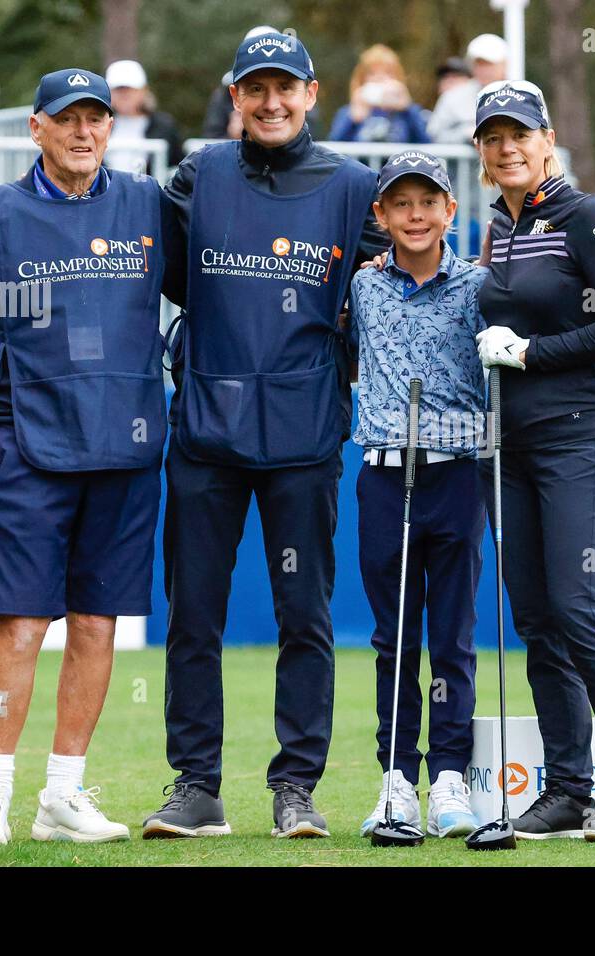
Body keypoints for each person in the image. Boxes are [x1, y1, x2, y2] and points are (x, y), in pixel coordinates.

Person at [0, 68, 184, 845]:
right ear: (35, 128)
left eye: (95, 118)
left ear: (112, 127)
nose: (82, 132)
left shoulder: (147, 204)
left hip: (127, 446)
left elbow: (208, 300)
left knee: (98, 624)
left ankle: (62, 798)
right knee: (23, 623)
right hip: (28, 447)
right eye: (66, 119)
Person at [143, 30, 389, 841]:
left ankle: (297, 790)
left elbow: (396, 286)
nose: (273, 102)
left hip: (306, 436)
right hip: (206, 432)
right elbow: (164, 275)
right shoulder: (201, 173)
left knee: (305, 619)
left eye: (287, 88)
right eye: (257, 89)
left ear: (313, 94)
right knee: (192, 618)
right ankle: (196, 787)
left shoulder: (354, 185)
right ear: (237, 97)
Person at [472, 79, 595, 841]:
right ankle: (567, 791)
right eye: (493, 138)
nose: (507, 147)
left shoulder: (585, 217)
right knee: (538, 618)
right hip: (512, 445)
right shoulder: (498, 230)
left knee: (580, 609)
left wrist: (530, 351)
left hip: (581, 435)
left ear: (547, 140)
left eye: (519, 133)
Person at [349, 151, 485, 839]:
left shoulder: (481, 287)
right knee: (394, 640)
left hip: (457, 474)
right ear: (381, 216)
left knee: (453, 639)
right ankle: (397, 779)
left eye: (427, 202)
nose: (415, 215)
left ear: (450, 211)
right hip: (383, 475)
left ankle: (451, 780)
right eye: (400, 204)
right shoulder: (363, 288)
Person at [328, 44, 430, 144]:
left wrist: (407, 109)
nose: (380, 77)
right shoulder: (348, 112)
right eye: (372, 73)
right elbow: (334, 149)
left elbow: (425, 143)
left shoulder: (408, 112)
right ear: (361, 78)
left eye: (388, 72)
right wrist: (353, 120)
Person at [103, 59, 185, 173]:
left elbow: (178, 165)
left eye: (130, 89)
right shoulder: (98, 124)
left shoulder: (164, 126)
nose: (124, 95)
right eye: (118, 89)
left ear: (144, 90)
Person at [427, 34, 508, 144]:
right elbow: (434, 135)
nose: (484, 70)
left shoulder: (523, 94)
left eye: (489, 64)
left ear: (504, 65)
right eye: (479, 64)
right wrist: (465, 134)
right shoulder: (452, 97)